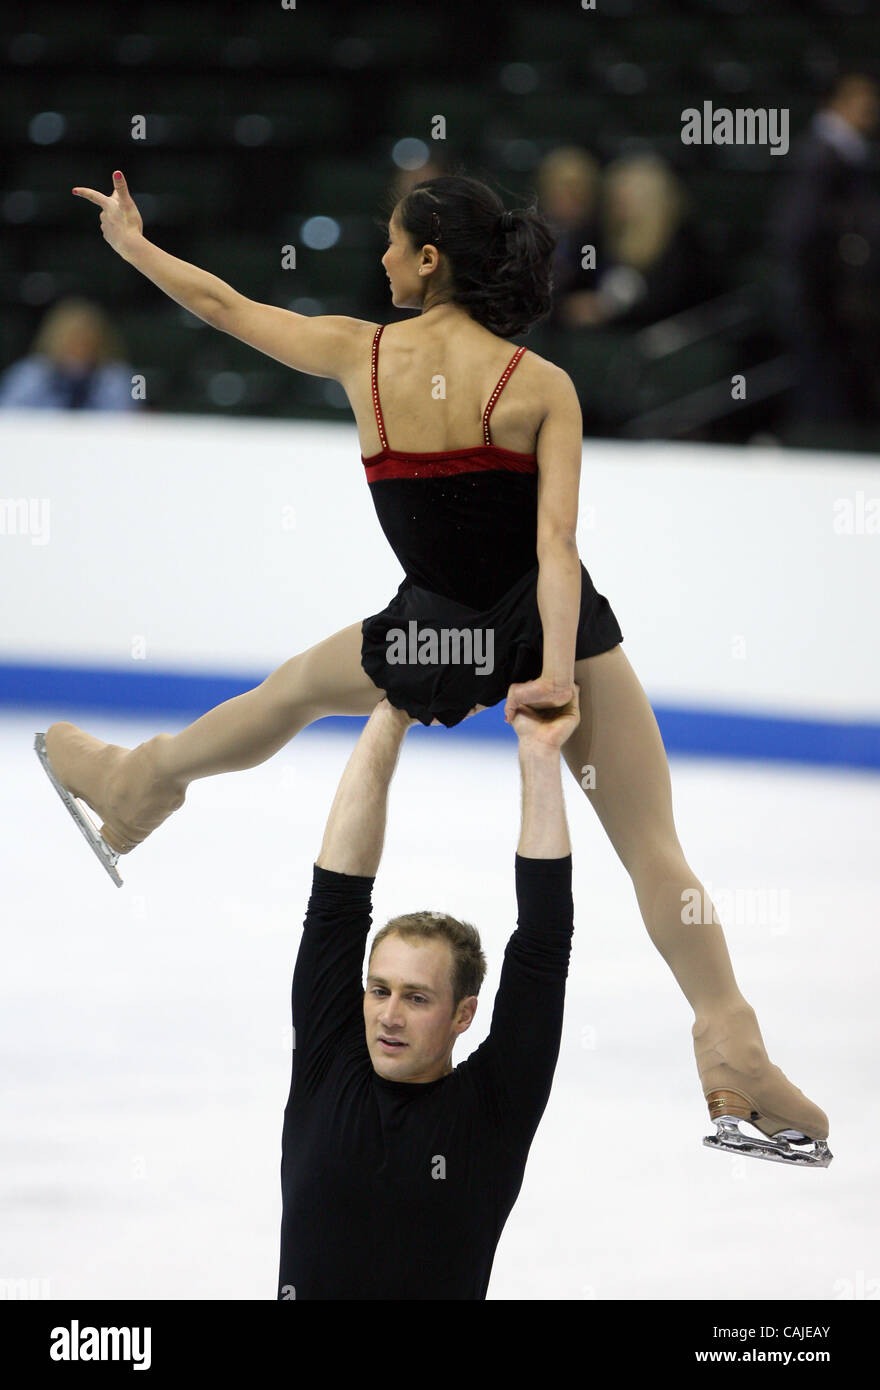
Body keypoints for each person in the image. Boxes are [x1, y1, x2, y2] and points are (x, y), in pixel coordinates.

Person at [42, 169, 830, 1163]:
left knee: (291, 691)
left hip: (435, 636)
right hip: (544, 629)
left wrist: (132, 246)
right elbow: (553, 546)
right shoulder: (537, 384)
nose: (378, 258)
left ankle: (140, 782)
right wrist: (548, 671)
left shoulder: (360, 354)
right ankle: (730, 1044)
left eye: (391, 241)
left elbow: (223, 304)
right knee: (652, 848)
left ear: (428, 258)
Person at [279, 688, 578, 1299]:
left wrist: (539, 754)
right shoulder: (326, 1067)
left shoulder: (492, 1111)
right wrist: (394, 711)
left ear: (464, 1014)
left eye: (416, 998)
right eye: (379, 989)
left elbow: (544, 943)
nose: (388, 1015)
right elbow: (336, 899)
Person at [769, 71, 880, 435]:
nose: (871, 108)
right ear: (838, 102)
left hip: (828, 296)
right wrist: (826, 283)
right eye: (861, 99)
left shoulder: (842, 155)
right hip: (821, 297)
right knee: (822, 389)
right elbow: (796, 232)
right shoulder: (822, 156)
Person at [0, 296, 139, 411]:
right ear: (55, 339)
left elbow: (127, 424)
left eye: (86, 340)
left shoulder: (115, 379)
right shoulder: (30, 376)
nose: (79, 346)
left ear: (99, 341)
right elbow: (9, 419)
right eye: (72, 339)